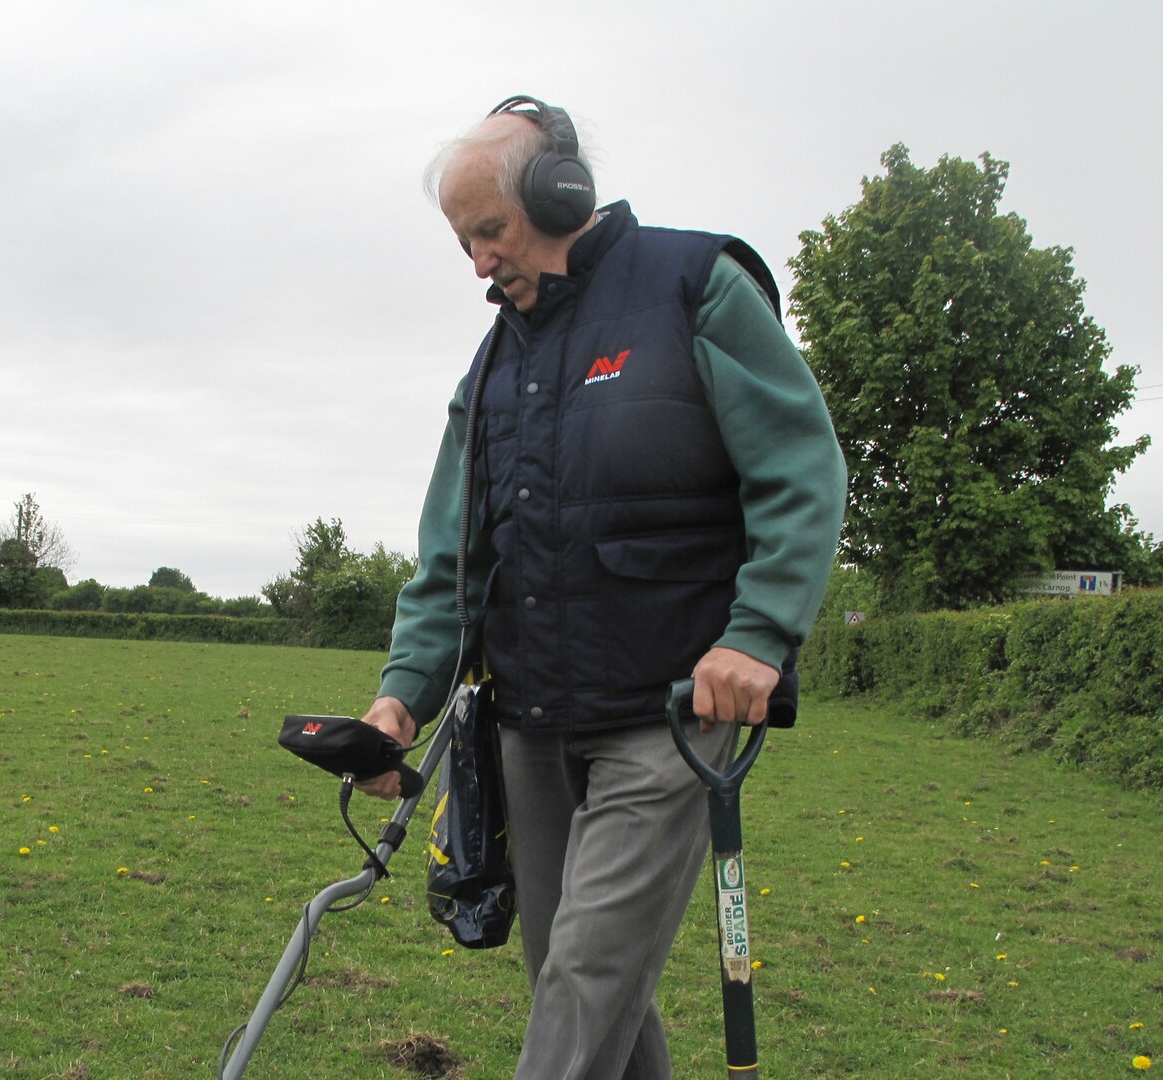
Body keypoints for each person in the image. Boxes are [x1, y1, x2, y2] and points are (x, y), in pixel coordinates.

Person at [355, 96, 848, 1080]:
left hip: (670, 715)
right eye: (462, 243)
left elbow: (801, 468)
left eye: (489, 230)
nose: (478, 262)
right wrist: (401, 697)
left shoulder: (694, 286)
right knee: (578, 981)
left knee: (586, 978)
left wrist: (758, 634)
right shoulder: (493, 365)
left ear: (558, 192)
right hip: (532, 723)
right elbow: (455, 553)